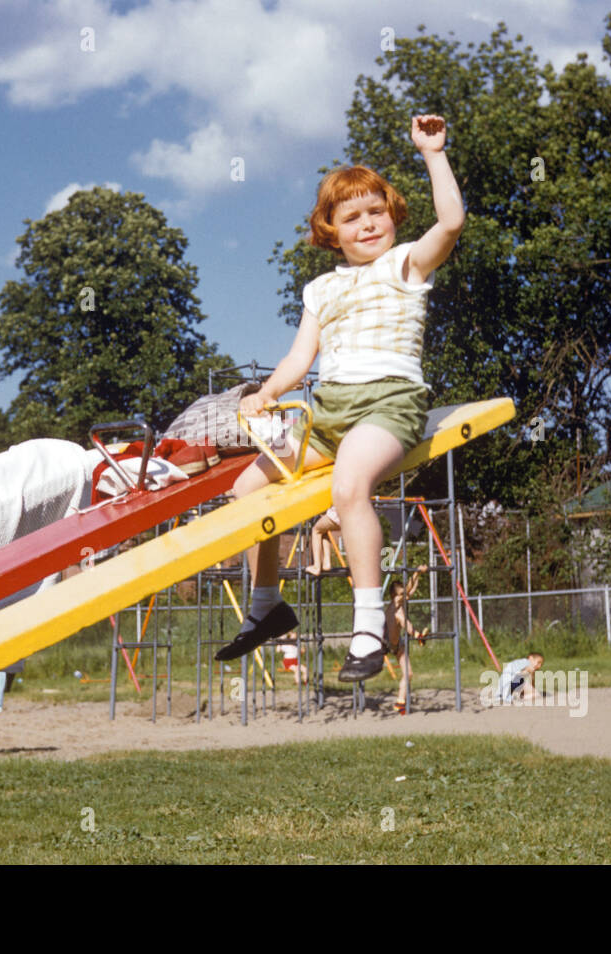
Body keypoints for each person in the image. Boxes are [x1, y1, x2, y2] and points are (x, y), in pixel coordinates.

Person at [214, 114, 465, 682]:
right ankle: (267, 606)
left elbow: (450, 222)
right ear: (330, 229)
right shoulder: (321, 288)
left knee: (348, 487)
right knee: (245, 490)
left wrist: (433, 153)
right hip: (327, 411)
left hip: (388, 404)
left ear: (393, 215)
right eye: (352, 217)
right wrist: (267, 393)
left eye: (377, 211)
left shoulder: (405, 265)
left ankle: (370, 628)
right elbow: (300, 359)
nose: (368, 223)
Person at [385, 566, 430, 712]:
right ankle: (417, 635)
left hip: (398, 644)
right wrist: (416, 572)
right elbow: (408, 589)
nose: (404, 596)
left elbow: (411, 589)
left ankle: (400, 702)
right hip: (385, 643)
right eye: (401, 595)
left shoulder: (400, 603)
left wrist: (418, 576)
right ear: (394, 596)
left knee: (408, 673)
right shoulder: (393, 608)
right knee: (401, 617)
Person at [306, 506, 341, 576]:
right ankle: (327, 562)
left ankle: (316, 567)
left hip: (338, 514)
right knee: (323, 529)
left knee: (316, 530)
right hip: (350, 515)